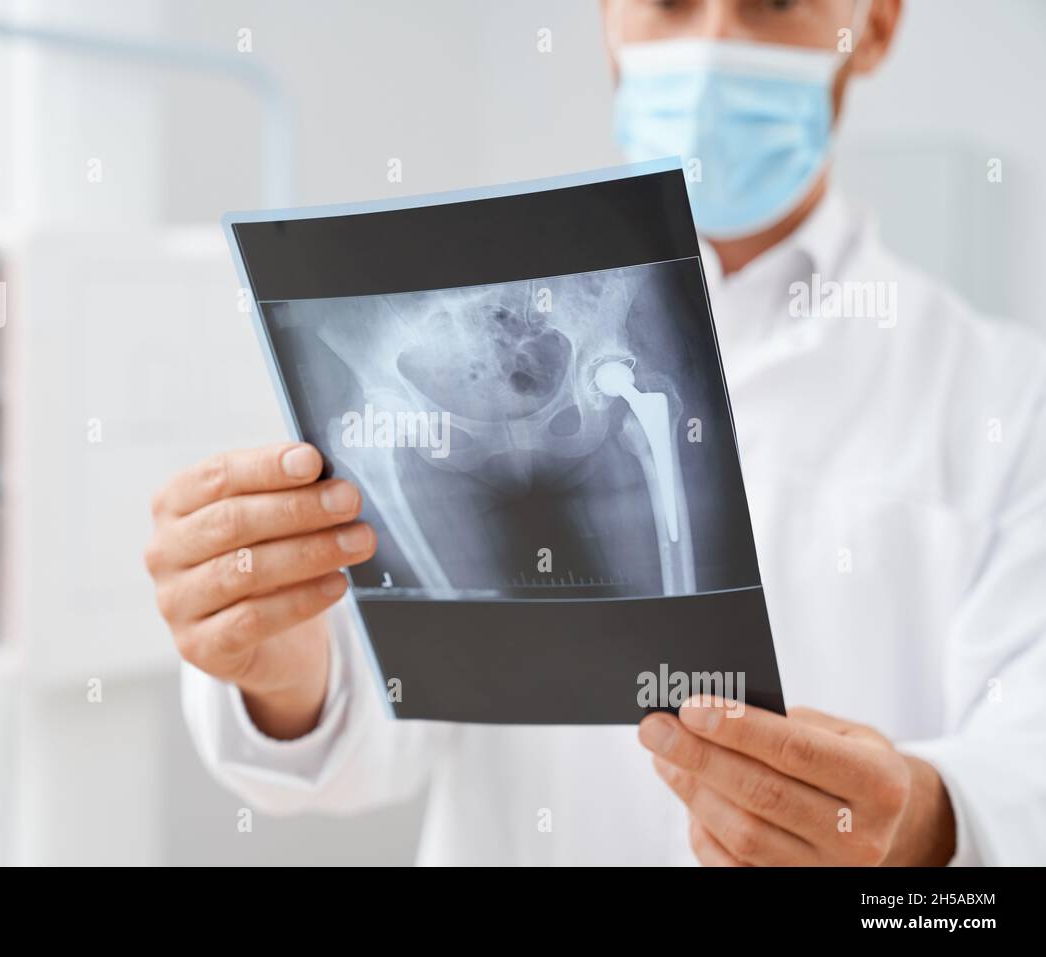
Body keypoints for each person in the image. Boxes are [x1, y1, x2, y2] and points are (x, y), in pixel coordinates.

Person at [145, 0, 1046, 865]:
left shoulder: (1007, 400)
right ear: (610, 15)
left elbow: (1027, 769)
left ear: (875, 23)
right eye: (668, 1)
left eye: (775, 1)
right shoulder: (446, 333)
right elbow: (373, 742)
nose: (713, 47)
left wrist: (924, 829)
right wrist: (282, 664)